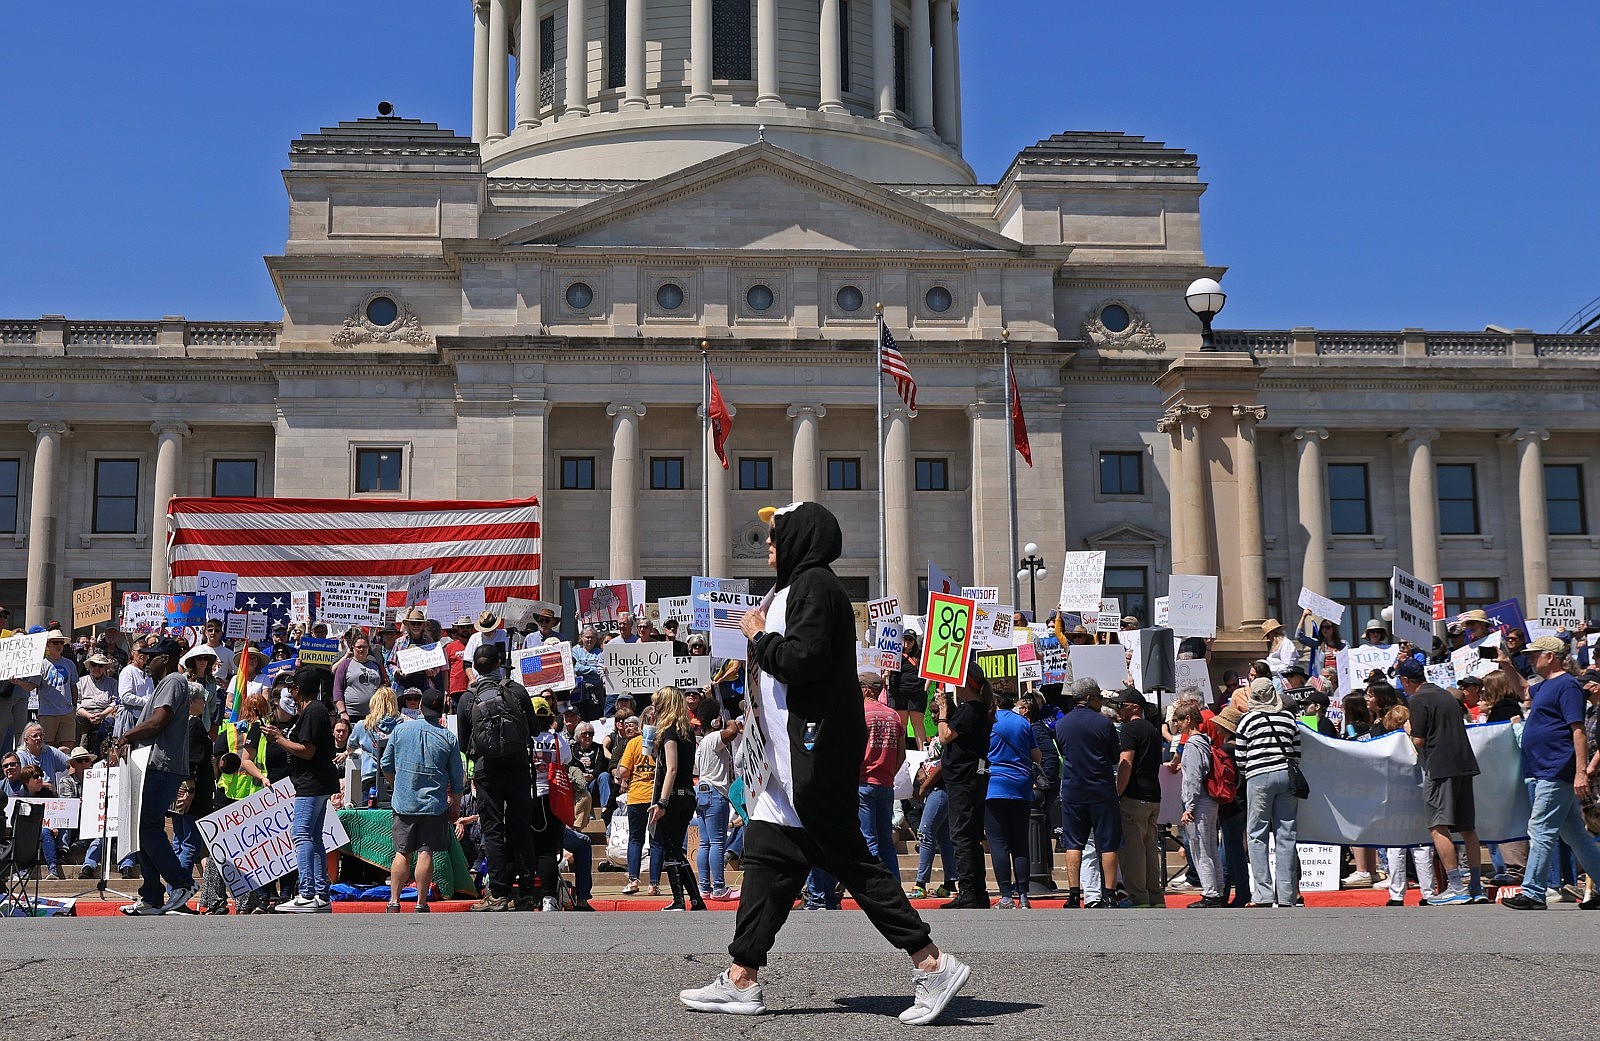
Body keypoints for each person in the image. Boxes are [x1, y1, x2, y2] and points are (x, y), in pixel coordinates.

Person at [680, 502, 968, 1025]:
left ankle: (933, 964)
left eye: (776, 534)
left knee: (852, 861)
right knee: (768, 862)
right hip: (784, 763)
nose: (767, 544)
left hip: (810, 755)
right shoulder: (794, 590)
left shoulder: (814, 587)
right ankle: (742, 977)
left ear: (800, 538)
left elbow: (802, 660)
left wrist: (757, 636)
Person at [1504, 636, 1600, 911]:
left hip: (1555, 768)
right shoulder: (1546, 685)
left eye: (1535, 655)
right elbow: (1524, 691)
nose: (1531, 659)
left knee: (1540, 829)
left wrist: (1581, 772)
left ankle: (1533, 892)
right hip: (1544, 768)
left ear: (1551, 657)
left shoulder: (1567, 685)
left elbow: (1577, 730)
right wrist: (1506, 665)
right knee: (1575, 835)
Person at [114, 637, 198, 915]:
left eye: (152, 656)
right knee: (143, 830)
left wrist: (126, 734)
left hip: (163, 766)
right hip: (154, 764)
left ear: (166, 658)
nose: (147, 661)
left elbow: (159, 721)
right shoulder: (164, 684)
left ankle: (182, 882)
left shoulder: (174, 681)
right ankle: (150, 896)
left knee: (148, 827)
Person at [455, 643, 540, 912]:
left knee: (492, 832)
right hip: (517, 768)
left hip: (486, 771)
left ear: (475, 668)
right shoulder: (515, 690)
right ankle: (526, 892)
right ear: (499, 663)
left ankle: (498, 893)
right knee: (521, 830)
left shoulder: (468, 697)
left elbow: (462, 742)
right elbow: (535, 730)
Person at [1394, 658, 1486, 904]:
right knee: (1467, 828)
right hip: (1465, 765)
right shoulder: (1446, 695)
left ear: (1405, 680)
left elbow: (1420, 740)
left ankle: (1456, 888)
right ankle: (1476, 887)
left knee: (1437, 825)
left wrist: (1407, 730)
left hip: (1441, 767)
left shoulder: (1418, 700)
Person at [380, 696, 464, 913]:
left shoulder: (400, 731)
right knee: (425, 852)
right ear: (442, 710)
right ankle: (420, 903)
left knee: (402, 852)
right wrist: (455, 805)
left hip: (404, 802)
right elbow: (457, 778)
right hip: (433, 804)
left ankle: (394, 901)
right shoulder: (448, 737)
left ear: (419, 706)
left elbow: (385, 764)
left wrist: (396, 784)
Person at [265, 671, 340, 912]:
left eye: (291, 687)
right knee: (313, 835)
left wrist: (278, 738)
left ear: (297, 690)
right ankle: (320, 893)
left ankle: (306, 892)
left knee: (301, 833)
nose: (289, 692)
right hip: (315, 781)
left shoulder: (312, 711)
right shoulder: (312, 711)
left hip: (312, 783)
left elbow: (307, 750)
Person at [1055, 679, 1123, 908]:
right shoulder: (1104, 724)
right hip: (1101, 789)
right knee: (1107, 843)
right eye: (1099, 697)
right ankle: (1110, 894)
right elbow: (1115, 756)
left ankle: (1074, 894)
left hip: (1073, 789)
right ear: (1091, 697)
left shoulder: (1062, 724)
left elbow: (1063, 752)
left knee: (1073, 843)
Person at [1236, 677, 1302, 908]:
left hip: (1258, 777)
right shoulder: (1288, 718)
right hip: (1286, 775)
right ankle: (1286, 895)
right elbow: (1296, 752)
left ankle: (1262, 894)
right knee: (1286, 834)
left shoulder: (1247, 720)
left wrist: (1250, 771)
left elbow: (1240, 756)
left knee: (1257, 834)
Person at [937, 656, 995, 908]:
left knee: (961, 835)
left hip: (963, 779)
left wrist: (942, 711)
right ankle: (976, 891)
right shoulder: (981, 709)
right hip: (972, 777)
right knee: (970, 835)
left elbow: (945, 737)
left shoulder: (969, 709)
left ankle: (968, 891)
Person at [649, 686, 704, 911]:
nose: (654, 708)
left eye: (657, 703)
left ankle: (679, 899)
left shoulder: (670, 731)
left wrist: (662, 802)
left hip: (673, 796)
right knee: (676, 849)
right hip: (687, 795)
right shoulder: (686, 731)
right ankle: (695, 899)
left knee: (670, 848)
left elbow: (671, 769)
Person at [984, 687, 1039, 908]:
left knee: (998, 843)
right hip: (1021, 785)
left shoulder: (988, 721)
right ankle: (1024, 894)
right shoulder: (1023, 723)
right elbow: (1036, 755)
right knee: (1020, 843)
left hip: (995, 785)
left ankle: (1006, 894)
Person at [1113, 688, 1163, 908]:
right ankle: (1155, 897)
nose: (1118, 711)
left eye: (1121, 706)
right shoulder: (1152, 730)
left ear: (1134, 707)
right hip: (1153, 795)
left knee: (1133, 852)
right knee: (1150, 850)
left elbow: (1126, 764)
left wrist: (1118, 793)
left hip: (1134, 796)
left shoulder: (1129, 730)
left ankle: (1138, 898)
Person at [1174, 704, 1223, 908]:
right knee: (1210, 846)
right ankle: (1217, 889)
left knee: (1200, 848)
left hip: (1199, 802)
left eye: (1178, 719)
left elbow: (1193, 778)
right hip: (1208, 801)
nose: (1175, 723)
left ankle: (1211, 893)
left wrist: (1189, 807)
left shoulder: (1193, 744)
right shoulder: (1204, 741)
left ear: (1188, 719)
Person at [859, 671, 905, 881]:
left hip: (863, 782)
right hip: (885, 783)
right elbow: (901, 753)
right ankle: (893, 884)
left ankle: (877, 888)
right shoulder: (893, 715)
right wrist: (888, 773)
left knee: (869, 839)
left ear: (867, 689)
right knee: (885, 840)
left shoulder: (859, 712)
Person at [693, 697, 739, 900]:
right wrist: (728, 719)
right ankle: (719, 887)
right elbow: (732, 731)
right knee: (718, 842)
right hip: (715, 791)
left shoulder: (701, 744)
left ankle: (705, 886)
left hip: (701, 790)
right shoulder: (713, 739)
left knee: (705, 842)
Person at [11, 629, 78, 747]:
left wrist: (74, 707)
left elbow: (73, 686)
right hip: (48, 713)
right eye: (55, 643)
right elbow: (31, 686)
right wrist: (19, 682)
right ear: (48, 645)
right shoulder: (42, 664)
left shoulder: (70, 664)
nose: (58, 646)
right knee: (47, 747)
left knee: (68, 746)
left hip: (67, 712)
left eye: (61, 643)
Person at [888, 632, 931, 749]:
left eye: (910, 640)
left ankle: (922, 753)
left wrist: (925, 689)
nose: (906, 642)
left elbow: (929, 672)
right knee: (902, 725)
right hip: (898, 693)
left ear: (914, 642)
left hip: (916, 693)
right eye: (904, 638)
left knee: (917, 723)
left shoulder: (920, 655)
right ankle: (900, 753)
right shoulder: (892, 654)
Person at [333, 634, 389, 723]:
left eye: (364, 647)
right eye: (359, 647)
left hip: (373, 714)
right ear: (353, 647)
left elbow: (382, 686)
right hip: (350, 715)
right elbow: (337, 690)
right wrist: (343, 712)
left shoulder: (375, 665)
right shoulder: (345, 664)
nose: (361, 649)